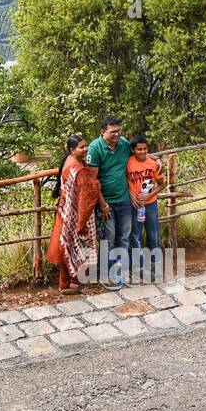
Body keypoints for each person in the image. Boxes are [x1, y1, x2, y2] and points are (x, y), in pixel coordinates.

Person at [45, 134, 100, 294]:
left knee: (66, 246)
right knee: (79, 247)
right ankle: (76, 282)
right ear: (71, 150)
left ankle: (65, 283)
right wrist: (82, 222)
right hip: (77, 214)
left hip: (65, 211)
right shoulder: (78, 169)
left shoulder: (70, 162)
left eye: (86, 146)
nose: (85, 149)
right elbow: (88, 193)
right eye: (81, 147)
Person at [86, 116, 131, 289]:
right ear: (103, 132)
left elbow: (141, 153)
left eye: (118, 130)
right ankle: (105, 274)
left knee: (124, 236)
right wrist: (103, 204)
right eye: (113, 132)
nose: (117, 134)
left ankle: (121, 271)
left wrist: (155, 159)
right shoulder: (95, 148)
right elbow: (93, 181)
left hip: (124, 199)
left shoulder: (124, 144)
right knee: (108, 238)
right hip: (107, 203)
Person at [126, 135, 164, 281]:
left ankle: (155, 264)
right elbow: (127, 179)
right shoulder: (128, 163)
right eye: (139, 149)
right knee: (135, 235)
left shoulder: (153, 164)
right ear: (133, 150)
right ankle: (139, 266)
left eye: (145, 149)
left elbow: (162, 184)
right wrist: (132, 196)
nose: (142, 152)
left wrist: (149, 196)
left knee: (153, 233)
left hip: (150, 204)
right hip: (136, 205)